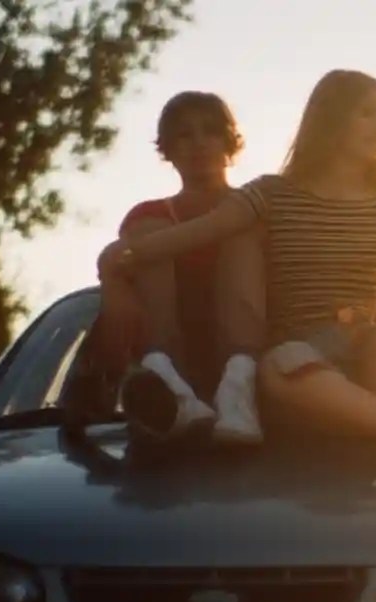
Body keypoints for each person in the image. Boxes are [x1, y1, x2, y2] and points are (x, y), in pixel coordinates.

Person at [103, 69, 376, 478]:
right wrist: (118, 261)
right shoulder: (270, 193)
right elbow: (199, 232)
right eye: (368, 113)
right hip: (306, 366)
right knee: (279, 363)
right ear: (331, 118)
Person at [87, 91, 266, 444]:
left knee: (242, 230)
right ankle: (167, 381)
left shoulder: (257, 207)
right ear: (167, 148)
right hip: (175, 355)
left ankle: (239, 381)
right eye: (184, 134)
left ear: (229, 141)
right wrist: (114, 284)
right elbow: (118, 289)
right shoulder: (148, 217)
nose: (198, 144)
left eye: (210, 131)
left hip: (253, 355)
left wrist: (113, 264)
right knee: (151, 228)